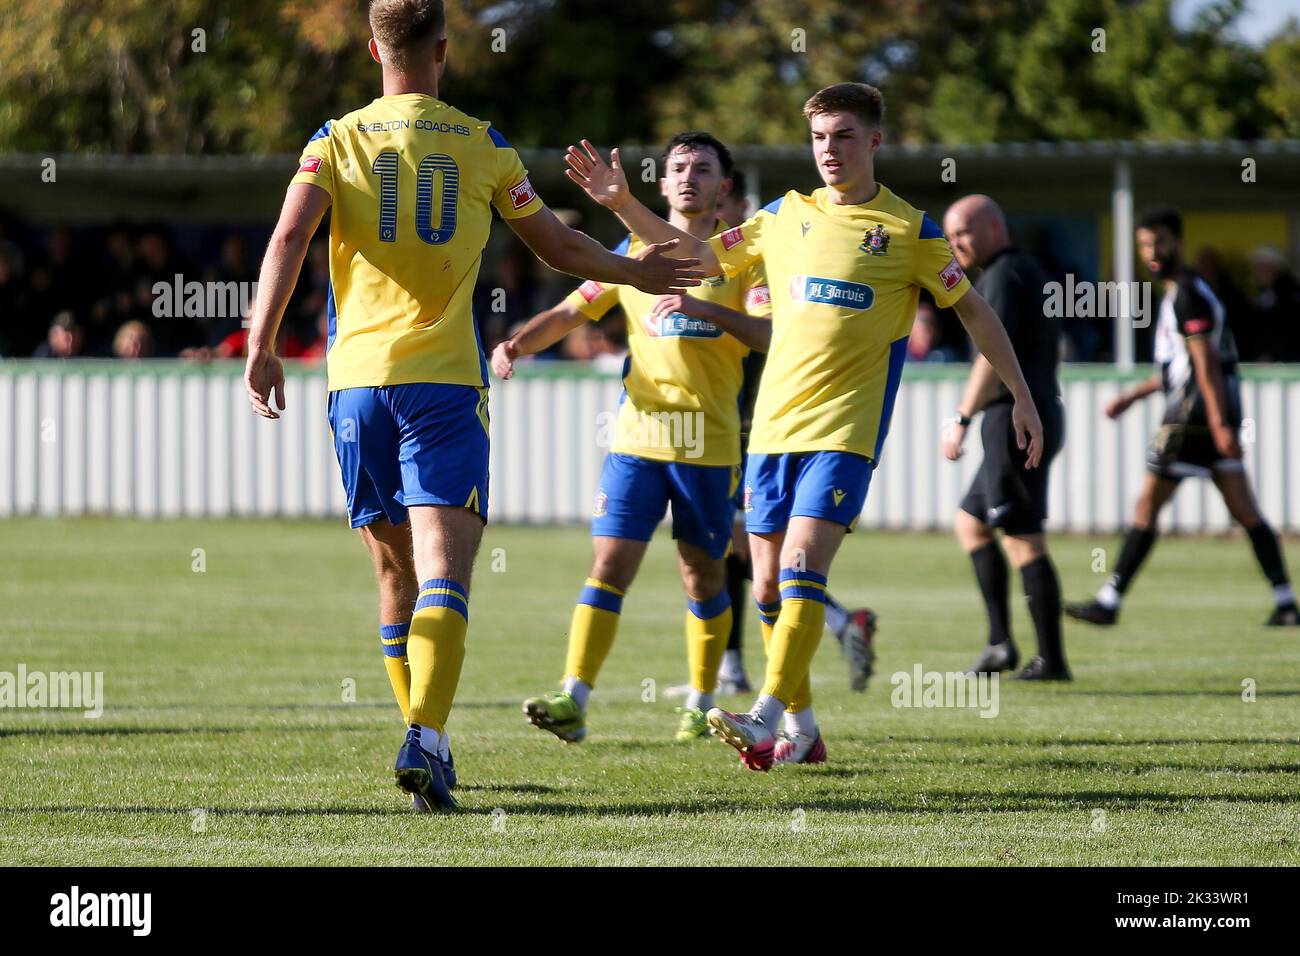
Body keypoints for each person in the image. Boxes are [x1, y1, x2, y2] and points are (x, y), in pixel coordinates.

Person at [242, 0, 702, 813]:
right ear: (444, 50)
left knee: (394, 575)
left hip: (355, 388)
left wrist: (261, 343)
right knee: (446, 575)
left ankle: (429, 742)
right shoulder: (481, 142)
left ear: (374, 48)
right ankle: (425, 734)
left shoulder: (334, 139)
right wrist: (638, 271)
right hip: (445, 385)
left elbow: (286, 240)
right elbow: (558, 248)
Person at [566, 81, 1044, 770]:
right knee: (764, 588)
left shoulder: (910, 230)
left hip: (843, 434)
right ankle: (806, 729)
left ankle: (763, 717)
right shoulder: (781, 216)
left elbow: (973, 311)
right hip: (771, 433)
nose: (829, 149)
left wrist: (1020, 396)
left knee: (798, 569)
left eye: (844, 136)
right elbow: (695, 258)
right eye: (819, 137)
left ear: (875, 141)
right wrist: (622, 205)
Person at [497, 132, 773, 744]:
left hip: (709, 446)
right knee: (609, 564)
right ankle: (573, 698)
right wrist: (517, 343)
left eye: (703, 169)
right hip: (636, 442)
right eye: (678, 167)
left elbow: (767, 335)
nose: (689, 177)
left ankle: (702, 701)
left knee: (701, 576)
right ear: (662, 182)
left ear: (724, 187)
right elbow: (572, 312)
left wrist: (705, 311)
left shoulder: (741, 261)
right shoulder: (631, 255)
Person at [1066, 208, 1297, 628]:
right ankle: (1285, 602)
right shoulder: (1183, 292)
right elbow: (1180, 366)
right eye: (1144, 245)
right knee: (1244, 509)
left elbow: (1205, 362)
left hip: (1192, 416)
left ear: (1178, 242)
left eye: (1160, 242)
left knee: (1146, 505)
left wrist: (1219, 423)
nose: (1152, 252)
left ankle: (1110, 600)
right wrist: (1134, 396)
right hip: (1209, 409)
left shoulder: (1189, 292)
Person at [941, 195, 1068, 680]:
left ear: (997, 227)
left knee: (1023, 538)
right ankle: (1000, 645)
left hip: (1014, 421)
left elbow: (989, 362)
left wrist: (960, 418)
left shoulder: (1006, 276)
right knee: (970, 523)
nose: (957, 245)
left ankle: (1051, 660)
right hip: (1021, 418)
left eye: (965, 233)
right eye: (951, 237)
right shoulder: (1017, 272)